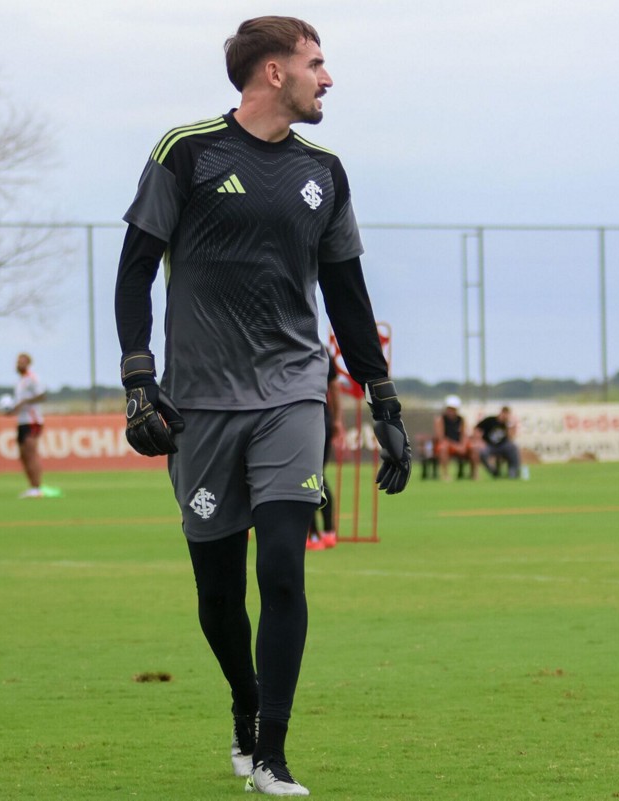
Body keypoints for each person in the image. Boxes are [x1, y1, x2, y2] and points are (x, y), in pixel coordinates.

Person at [114, 16, 411, 797]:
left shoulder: (327, 172)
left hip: (292, 393)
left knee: (282, 566)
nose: (329, 78)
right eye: (317, 63)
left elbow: (347, 295)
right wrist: (139, 376)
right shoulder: (187, 152)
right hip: (200, 405)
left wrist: (384, 401)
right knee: (218, 594)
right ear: (274, 73)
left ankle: (273, 752)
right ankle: (244, 702)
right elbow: (135, 269)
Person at [307, 350, 344, 551]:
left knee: (307, 476)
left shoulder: (292, 343)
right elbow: (335, 388)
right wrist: (337, 420)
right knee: (317, 476)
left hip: (305, 419)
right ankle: (328, 532)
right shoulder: (322, 351)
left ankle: (313, 534)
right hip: (323, 419)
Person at [6, 352, 47, 499]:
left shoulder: (32, 378)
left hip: (32, 421)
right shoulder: (20, 381)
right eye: (18, 361)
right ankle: (31, 487)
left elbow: (42, 395)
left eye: (22, 362)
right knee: (23, 455)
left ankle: (37, 487)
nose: (19, 364)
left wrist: (24, 402)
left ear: (28, 363)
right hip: (21, 421)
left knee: (31, 454)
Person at [434, 395, 478, 480]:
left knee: (473, 448)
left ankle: (474, 475)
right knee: (443, 447)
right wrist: (455, 446)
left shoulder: (462, 419)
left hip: (459, 445)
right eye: (449, 409)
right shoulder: (440, 420)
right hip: (448, 445)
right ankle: (445, 474)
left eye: (453, 409)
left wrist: (462, 445)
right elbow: (441, 438)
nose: (451, 411)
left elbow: (464, 435)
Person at [475, 406, 521, 478]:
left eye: (507, 414)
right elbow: (477, 429)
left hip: (502, 446)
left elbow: (510, 438)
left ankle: (513, 472)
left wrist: (510, 426)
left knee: (513, 447)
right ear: (501, 413)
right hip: (489, 445)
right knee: (482, 452)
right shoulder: (490, 420)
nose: (505, 416)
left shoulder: (507, 424)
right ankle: (494, 471)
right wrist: (479, 441)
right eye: (504, 413)